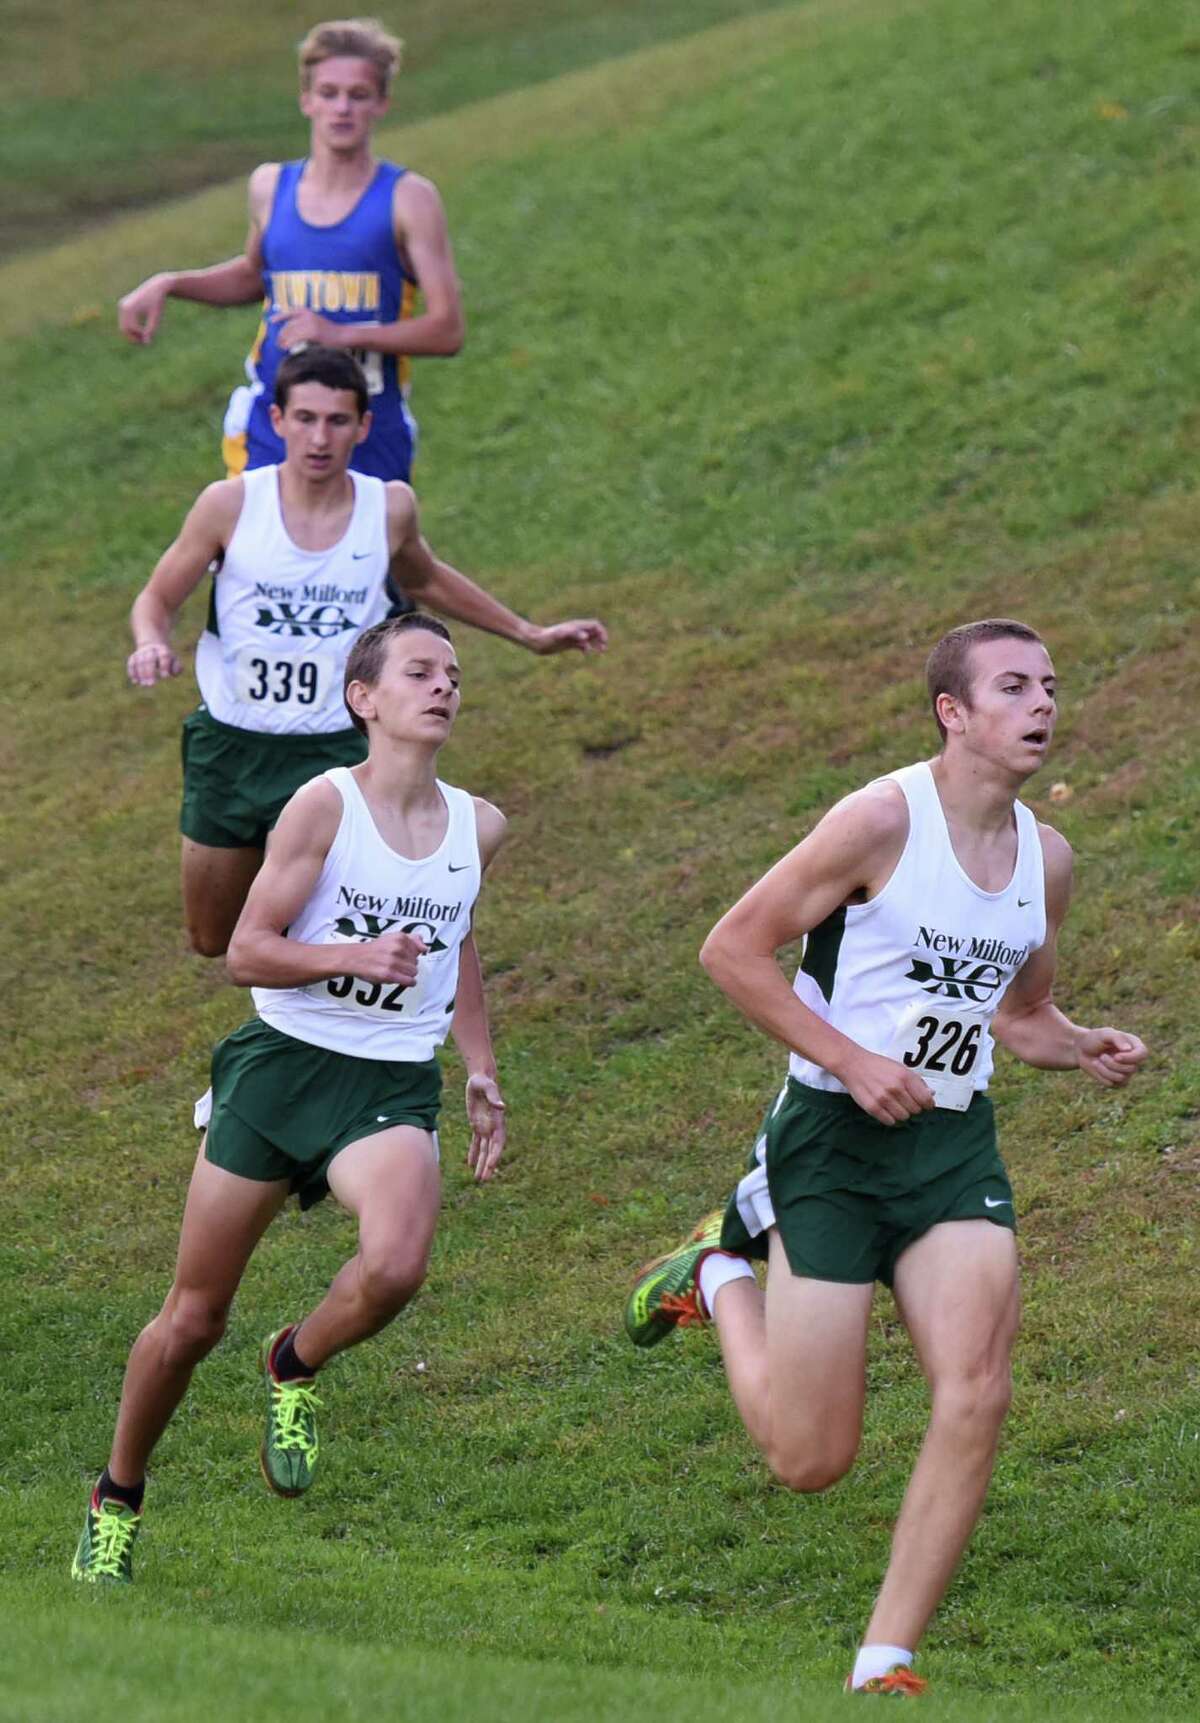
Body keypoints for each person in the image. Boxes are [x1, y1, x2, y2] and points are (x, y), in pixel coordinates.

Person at [623, 619, 1147, 1697]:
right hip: (830, 1143)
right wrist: (854, 1061)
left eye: (1050, 685)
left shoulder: (1047, 858)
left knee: (978, 1386)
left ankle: (885, 1657)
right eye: (1015, 687)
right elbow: (732, 949)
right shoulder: (880, 819)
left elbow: (1021, 1013)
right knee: (809, 1458)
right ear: (954, 712)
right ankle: (717, 1271)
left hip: (951, 1149)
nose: (1043, 705)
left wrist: (1079, 1043)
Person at [74, 612, 507, 1584]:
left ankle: (295, 1361)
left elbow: (459, 941)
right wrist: (351, 955)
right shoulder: (322, 807)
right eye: (420, 671)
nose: (444, 685)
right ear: (364, 698)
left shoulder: (480, 825)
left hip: (389, 1079)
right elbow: (245, 950)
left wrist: (478, 1062)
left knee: (395, 1265)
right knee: (192, 1319)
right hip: (281, 1067)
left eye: (453, 673)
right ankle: (117, 1494)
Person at [127, 344, 606, 959]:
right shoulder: (231, 505)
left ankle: (331, 1000)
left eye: (337, 420)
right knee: (213, 937)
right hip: (231, 747)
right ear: (277, 420)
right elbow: (157, 597)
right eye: (305, 418)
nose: (319, 438)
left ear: (363, 426)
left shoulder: (388, 509)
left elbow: (427, 580)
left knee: (329, 922)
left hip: (337, 751)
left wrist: (530, 634)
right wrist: (150, 642)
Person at [117, 17, 461, 485]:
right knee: (236, 531)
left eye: (358, 95)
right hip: (272, 431)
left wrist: (340, 334)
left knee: (381, 536)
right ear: (306, 100)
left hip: (367, 433)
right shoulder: (270, 186)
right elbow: (254, 275)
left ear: (382, 103)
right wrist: (171, 283)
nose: (342, 108)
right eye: (328, 93)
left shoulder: (409, 200)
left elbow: (446, 331)